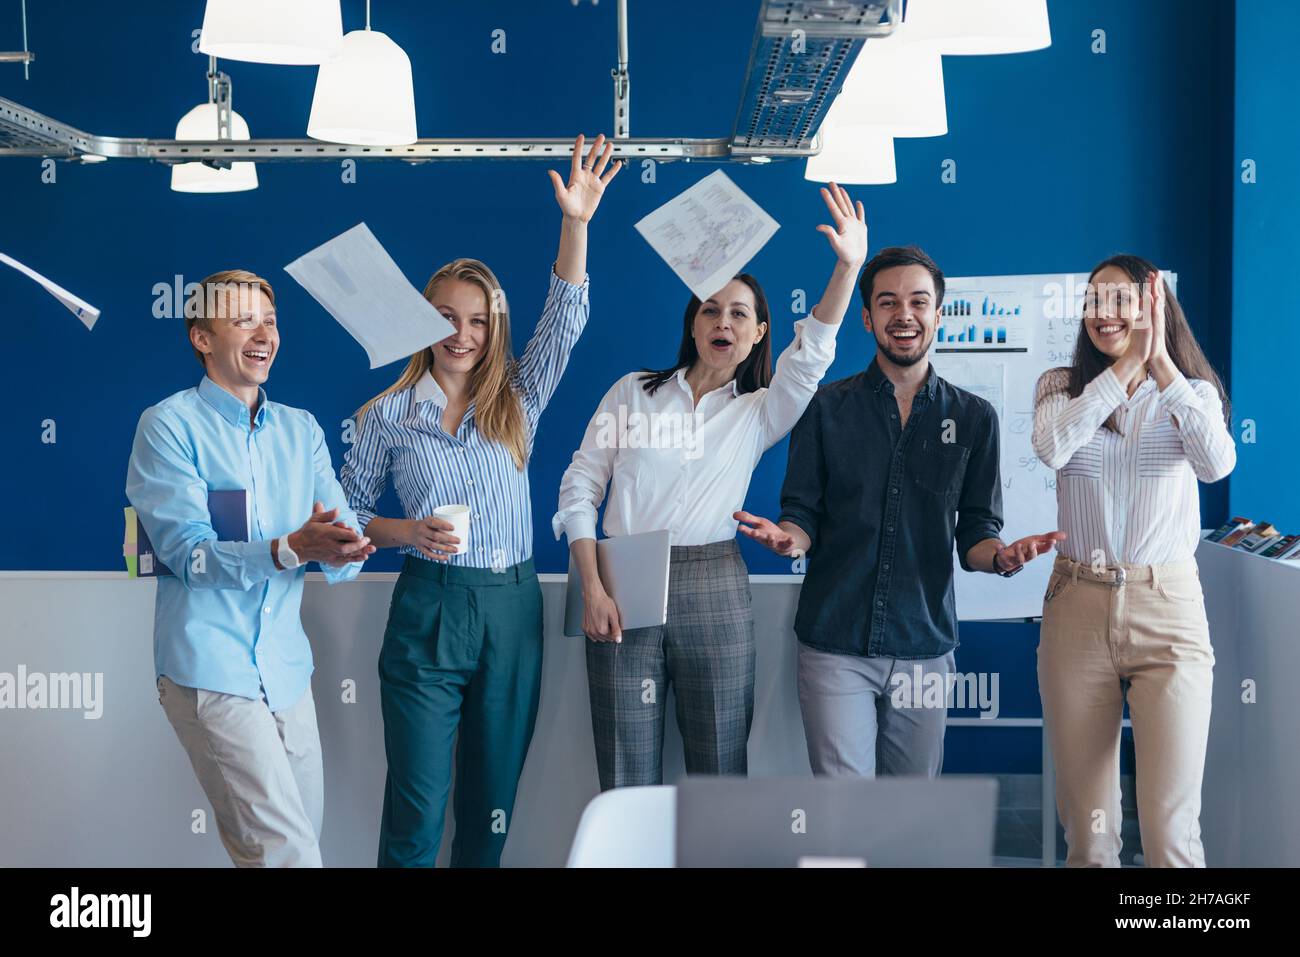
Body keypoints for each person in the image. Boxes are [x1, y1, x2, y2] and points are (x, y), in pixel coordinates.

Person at [340, 134, 621, 867]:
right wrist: (405, 530)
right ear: (421, 319)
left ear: (492, 328)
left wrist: (577, 222)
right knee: (417, 807)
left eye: (476, 320)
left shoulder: (520, 398)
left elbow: (564, 318)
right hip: (427, 608)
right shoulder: (386, 413)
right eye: (444, 316)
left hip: (510, 606)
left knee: (490, 811)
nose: (459, 334)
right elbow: (345, 516)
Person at [554, 183, 867, 790]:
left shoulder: (760, 410)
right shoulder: (631, 392)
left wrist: (847, 266)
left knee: (720, 771)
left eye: (739, 313)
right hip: (620, 582)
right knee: (624, 773)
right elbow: (580, 487)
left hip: (715, 587)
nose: (723, 321)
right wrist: (591, 586)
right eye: (710, 309)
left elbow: (813, 356)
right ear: (693, 325)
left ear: (757, 333)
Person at [740, 245, 1061, 779]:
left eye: (918, 301)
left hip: (924, 645)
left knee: (910, 812)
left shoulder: (973, 416)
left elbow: (977, 530)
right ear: (867, 318)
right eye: (887, 303)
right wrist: (790, 539)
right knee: (845, 809)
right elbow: (801, 512)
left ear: (938, 313)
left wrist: (1002, 557)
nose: (903, 315)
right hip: (835, 641)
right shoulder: (825, 408)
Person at [126, 269, 376, 868]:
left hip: (286, 674)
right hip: (210, 669)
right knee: (287, 856)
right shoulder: (167, 426)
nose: (263, 334)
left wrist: (346, 548)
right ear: (201, 338)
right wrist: (290, 547)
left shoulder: (302, 428)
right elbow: (189, 555)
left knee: (285, 849)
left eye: (270, 320)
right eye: (243, 321)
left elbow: (340, 533)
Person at [1032, 255, 1235, 867]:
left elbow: (1216, 464)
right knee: (1090, 837)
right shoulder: (1058, 387)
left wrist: (1160, 365)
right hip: (1077, 607)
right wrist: (1124, 368)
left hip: (1167, 609)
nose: (1105, 312)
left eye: (1122, 299)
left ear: (1156, 308)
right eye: (1094, 300)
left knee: (1171, 834)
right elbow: (1053, 447)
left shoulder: (1190, 393)